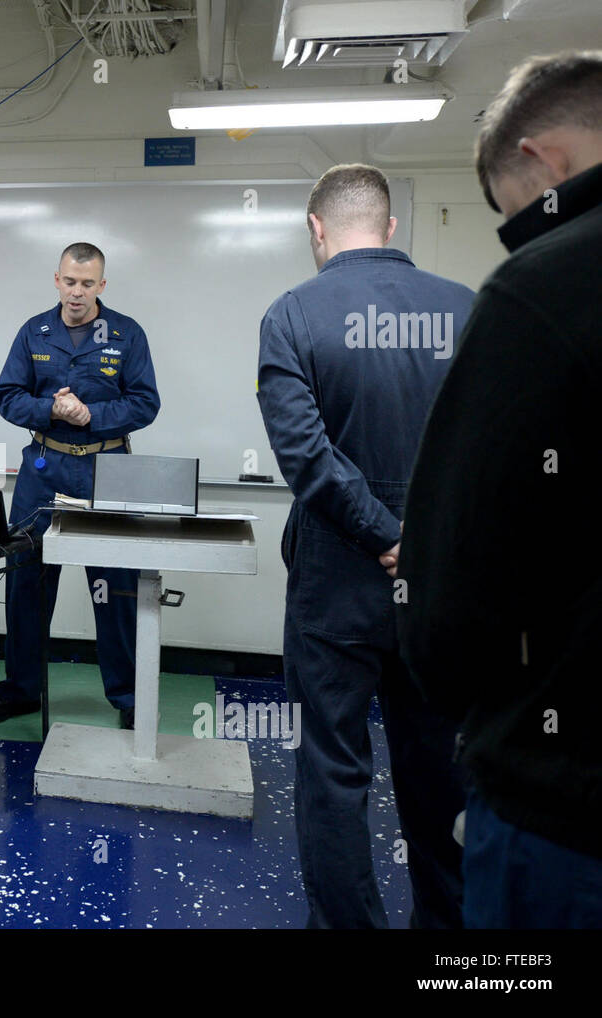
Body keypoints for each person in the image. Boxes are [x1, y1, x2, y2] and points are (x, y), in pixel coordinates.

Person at [394, 51, 602, 929]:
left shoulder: (545, 284)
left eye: (507, 213)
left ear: (545, 161)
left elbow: (456, 583)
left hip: (563, 800)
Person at [257, 164, 475, 929]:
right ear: (389, 227)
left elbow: (307, 458)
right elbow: (498, 450)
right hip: (443, 591)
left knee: (333, 775)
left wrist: (386, 539)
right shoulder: (468, 310)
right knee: (440, 776)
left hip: (335, 589)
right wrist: (424, 544)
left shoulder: (292, 314)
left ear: (316, 230)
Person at [0, 243, 160, 730]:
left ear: (102, 285)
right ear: (57, 280)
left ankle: (129, 697)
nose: (77, 293)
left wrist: (91, 413)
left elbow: (144, 404)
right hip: (44, 469)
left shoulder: (126, 334)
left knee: (115, 588)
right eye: (70, 282)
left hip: (107, 471)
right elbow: (7, 397)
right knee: (25, 582)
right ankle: (21, 690)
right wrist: (51, 409)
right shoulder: (35, 332)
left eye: (88, 284)